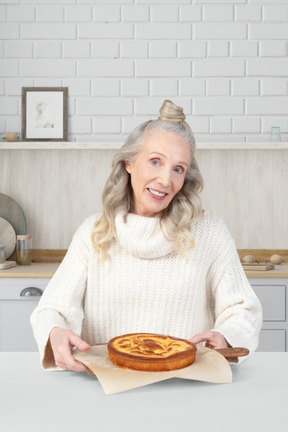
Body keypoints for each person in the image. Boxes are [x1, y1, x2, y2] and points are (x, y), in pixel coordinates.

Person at [30, 99, 262, 371]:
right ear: (129, 162)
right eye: (155, 161)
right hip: (106, 384)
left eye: (178, 169)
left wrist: (225, 336)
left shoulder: (209, 232)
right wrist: (55, 332)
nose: (165, 180)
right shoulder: (94, 233)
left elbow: (243, 308)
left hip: (187, 384)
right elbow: (52, 309)